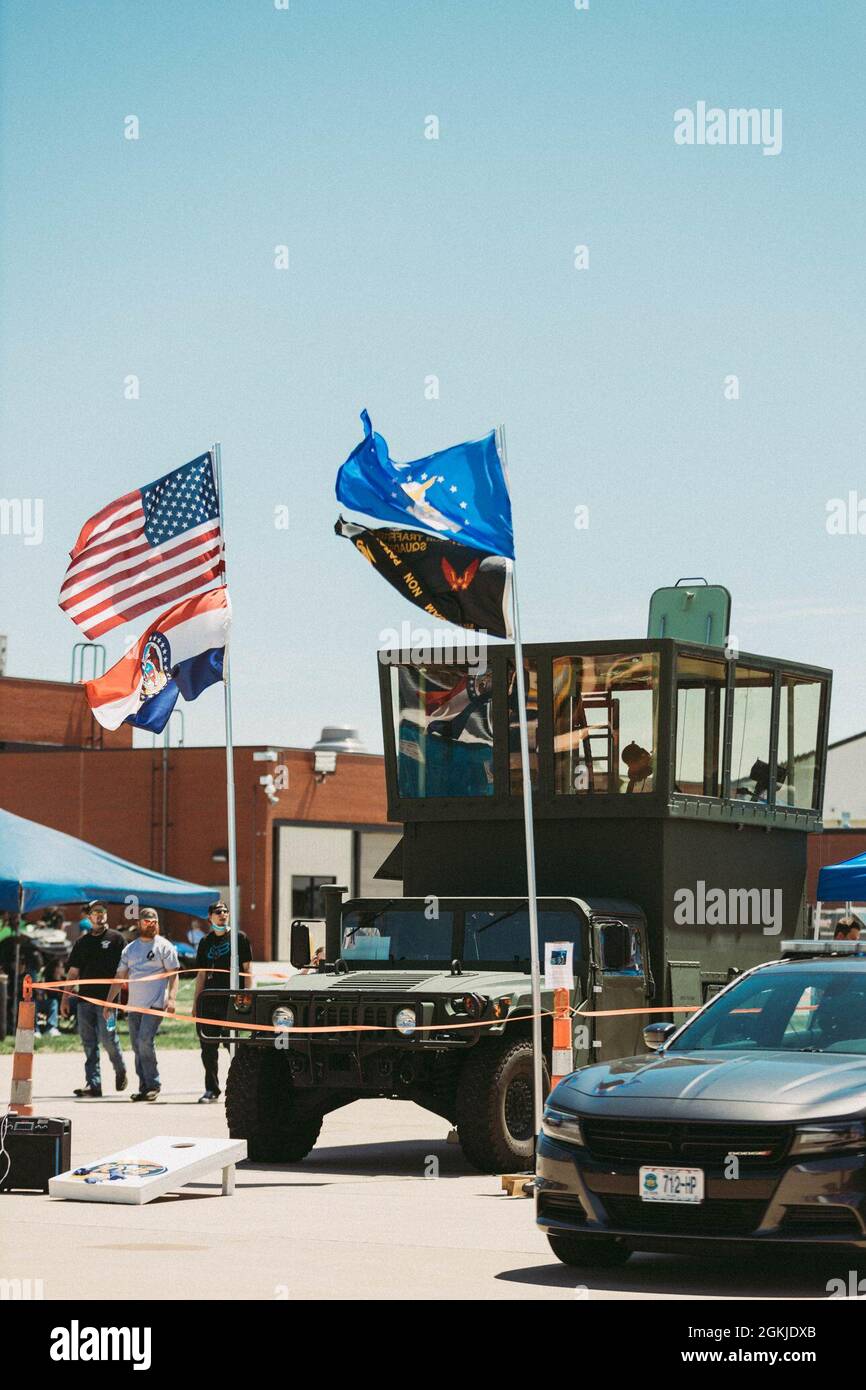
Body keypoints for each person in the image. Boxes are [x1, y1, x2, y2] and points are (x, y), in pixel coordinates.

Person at [105, 907, 178, 1102]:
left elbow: (173, 975)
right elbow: (119, 977)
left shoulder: (164, 947)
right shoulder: (130, 949)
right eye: (147, 921)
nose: (151, 924)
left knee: (145, 1041)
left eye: (154, 921)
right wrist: (109, 1003)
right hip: (133, 1005)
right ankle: (144, 1087)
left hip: (155, 1004)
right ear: (140, 923)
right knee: (137, 1046)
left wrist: (171, 998)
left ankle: (154, 1084)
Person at [63, 901, 127, 1097]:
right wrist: (65, 999)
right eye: (95, 912)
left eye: (102, 912)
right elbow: (73, 973)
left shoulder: (117, 939)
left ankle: (120, 1069)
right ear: (88, 917)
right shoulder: (82, 943)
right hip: (84, 1003)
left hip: (108, 1002)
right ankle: (93, 1084)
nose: (99, 915)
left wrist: (111, 1001)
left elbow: (122, 972)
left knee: (108, 1040)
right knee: (88, 1043)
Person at [193, 901, 252, 1103]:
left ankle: (243, 1088)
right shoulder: (205, 942)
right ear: (210, 917)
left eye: (226, 911)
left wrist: (247, 995)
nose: (223, 914)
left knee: (233, 1047)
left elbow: (247, 970)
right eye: (218, 912)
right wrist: (195, 1003)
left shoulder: (239, 938)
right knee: (208, 1048)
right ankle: (212, 1089)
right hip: (209, 1001)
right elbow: (201, 975)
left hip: (231, 1000)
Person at [0, 919, 43, 1036]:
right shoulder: (7, 941)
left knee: (30, 1000)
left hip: (27, 976)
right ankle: (10, 1026)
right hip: (11, 976)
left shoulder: (30, 944)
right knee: (10, 1000)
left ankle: (34, 1028)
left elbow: (37, 961)